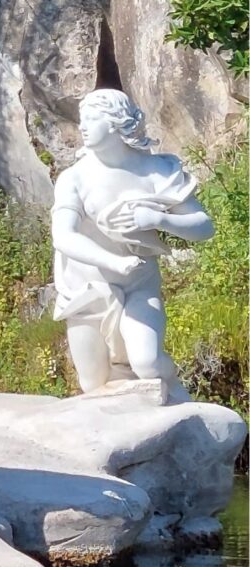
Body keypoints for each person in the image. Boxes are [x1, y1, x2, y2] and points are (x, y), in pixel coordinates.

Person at [52, 89, 213, 394]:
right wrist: (114, 261)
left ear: (115, 123)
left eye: (92, 118)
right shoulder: (74, 178)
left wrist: (159, 220)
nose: (82, 126)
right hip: (86, 290)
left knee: (148, 362)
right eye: (82, 118)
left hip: (140, 283)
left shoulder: (156, 170)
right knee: (94, 383)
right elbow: (63, 236)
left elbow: (203, 227)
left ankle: (177, 394)